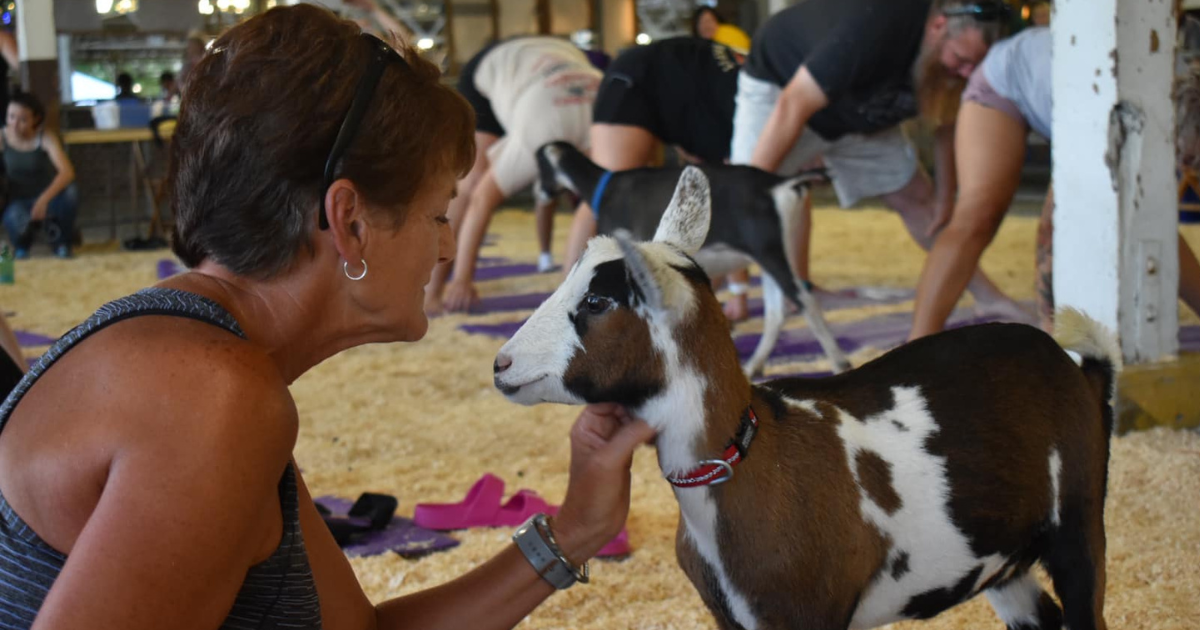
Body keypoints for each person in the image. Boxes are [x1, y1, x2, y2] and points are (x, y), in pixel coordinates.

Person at [0, 5, 655, 627]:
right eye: (437, 214)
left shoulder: (209, 366)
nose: (450, 245)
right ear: (349, 222)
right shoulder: (207, 396)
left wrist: (576, 530)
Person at [728, 0, 1026, 322]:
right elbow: (794, 103)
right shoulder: (879, 24)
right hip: (781, 91)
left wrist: (945, 198)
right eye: (961, 60)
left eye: (974, 66)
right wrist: (751, 184)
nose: (967, 73)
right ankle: (697, 294)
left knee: (918, 200)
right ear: (938, 26)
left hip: (856, 114)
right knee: (738, 205)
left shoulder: (954, 65)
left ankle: (988, 298)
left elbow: (946, 123)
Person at [910, 27, 1200, 339]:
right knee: (978, 215)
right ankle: (915, 347)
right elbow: (1055, 229)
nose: (1188, 170)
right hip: (1010, 80)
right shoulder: (1118, 121)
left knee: (1149, 219)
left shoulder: (1175, 121)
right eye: (1189, 160)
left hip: (1087, 91)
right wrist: (1052, 330)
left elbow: (1153, 225)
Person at [427, 37, 601, 314]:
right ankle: (433, 290)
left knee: (595, 202)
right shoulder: (540, 137)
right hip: (494, 67)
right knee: (472, 182)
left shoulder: (609, 132)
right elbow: (483, 199)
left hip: (556, 58)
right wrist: (463, 280)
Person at [561, 36, 743, 272]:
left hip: (677, 87)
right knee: (603, 194)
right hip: (636, 79)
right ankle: (567, 298)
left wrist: (739, 295)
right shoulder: (748, 112)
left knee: (715, 205)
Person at [1, 91, 78, 259]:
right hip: (17, 201)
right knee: (13, 217)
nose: (15, 124)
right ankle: (22, 245)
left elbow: (67, 172)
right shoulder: (2, 137)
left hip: (49, 198)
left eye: (22, 119)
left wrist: (43, 201)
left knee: (71, 193)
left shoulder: (45, 137)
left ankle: (61, 244)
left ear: (35, 119)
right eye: (11, 117)